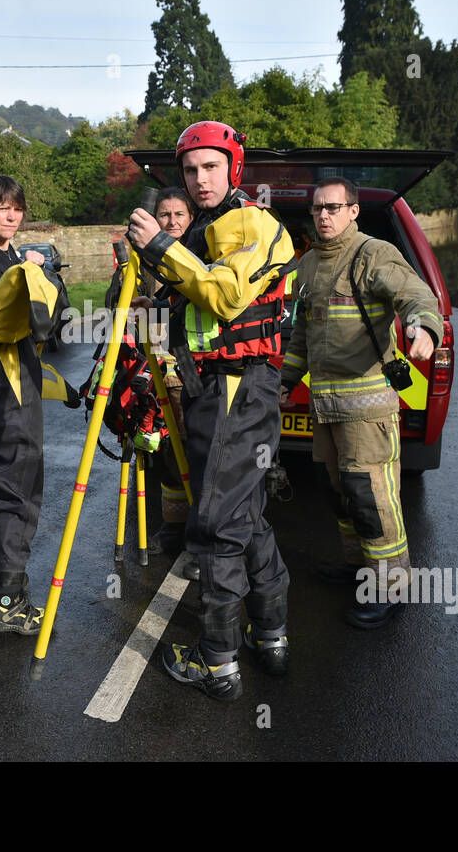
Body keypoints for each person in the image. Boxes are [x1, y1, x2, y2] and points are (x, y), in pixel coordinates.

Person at [127, 120, 295, 701]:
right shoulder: (207, 230)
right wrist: (155, 301)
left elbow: (225, 296)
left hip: (236, 391)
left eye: (211, 168)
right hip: (213, 390)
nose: (200, 179)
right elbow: (198, 307)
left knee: (217, 525)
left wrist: (158, 247)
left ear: (234, 169)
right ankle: (270, 635)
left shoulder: (254, 223)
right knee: (245, 516)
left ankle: (217, 661)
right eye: (191, 170)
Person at [279, 177, 441, 628]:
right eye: (317, 209)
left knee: (372, 500)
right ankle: (359, 569)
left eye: (334, 207)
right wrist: (285, 380)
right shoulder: (308, 265)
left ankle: (389, 587)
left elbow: (416, 295)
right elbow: (302, 337)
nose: (324, 215)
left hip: (367, 412)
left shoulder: (374, 255)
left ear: (353, 211)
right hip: (326, 411)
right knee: (340, 493)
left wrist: (424, 328)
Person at [0, 175, 69, 635]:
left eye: (17, 208)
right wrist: (35, 275)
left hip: (7, 387)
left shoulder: (5, 255)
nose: (11, 215)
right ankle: (6, 603)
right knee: (15, 493)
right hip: (3, 392)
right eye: (2, 207)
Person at [119, 188, 198, 580]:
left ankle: (200, 535)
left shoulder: (198, 256)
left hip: (190, 375)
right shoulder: (145, 260)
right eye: (164, 214)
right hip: (154, 374)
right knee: (165, 454)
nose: (172, 221)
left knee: (196, 454)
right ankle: (174, 526)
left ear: (192, 216)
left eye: (179, 214)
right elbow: (122, 307)